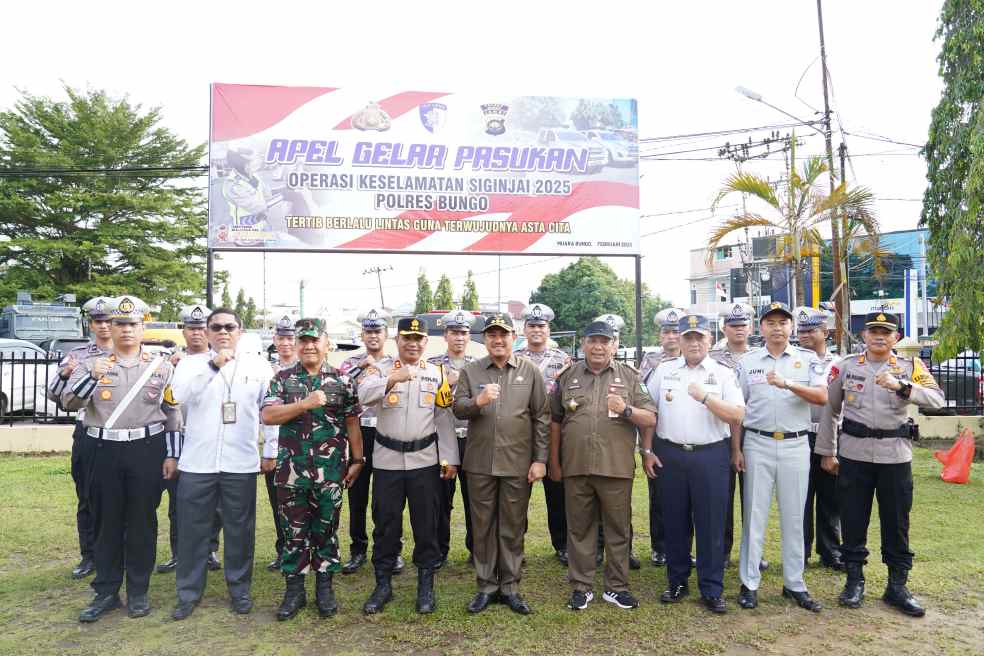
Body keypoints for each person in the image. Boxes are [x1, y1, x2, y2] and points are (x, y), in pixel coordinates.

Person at [816, 311, 944, 617]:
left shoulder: (910, 367)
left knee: (896, 523)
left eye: (886, 332)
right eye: (873, 331)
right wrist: (827, 452)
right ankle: (854, 581)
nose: (879, 336)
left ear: (895, 338)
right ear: (864, 336)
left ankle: (897, 587)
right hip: (854, 455)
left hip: (894, 457)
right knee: (853, 519)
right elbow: (831, 411)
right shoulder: (845, 367)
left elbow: (938, 399)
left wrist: (902, 386)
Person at [63, 296, 182, 622]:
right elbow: (68, 403)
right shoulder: (89, 364)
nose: (126, 329)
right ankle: (107, 591)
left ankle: (139, 591)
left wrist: (172, 454)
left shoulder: (161, 367)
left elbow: (172, 414)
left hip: (147, 450)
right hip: (103, 450)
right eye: (120, 324)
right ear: (110, 328)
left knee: (143, 521)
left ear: (143, 326)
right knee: (106, 521)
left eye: (133, 324)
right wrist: (92, 377)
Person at [169, 307, 278, 620]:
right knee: (193, 531)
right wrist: (212, 367)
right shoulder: (190, 364)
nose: (223, 332)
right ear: (206, 331)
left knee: (239, 530)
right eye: (215, 327)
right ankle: (188, 593)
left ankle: (240, 590)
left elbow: (269, 411)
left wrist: (270, 449)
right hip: (197, 463)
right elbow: (179, 397)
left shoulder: (258, 366)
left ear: (240, 331)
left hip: (240, 462)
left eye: (229, 326)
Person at [261, 318, 365, 620]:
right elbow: (268, 416)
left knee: (326, 531)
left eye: (314, 340)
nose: (308, 345)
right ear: (295, 344)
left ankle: (324, 588)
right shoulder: (282, 379)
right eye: (303, 340)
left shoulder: (343, 381)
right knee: (293, 533)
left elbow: (352, 423)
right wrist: (303, 404)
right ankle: (294, 591)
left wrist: (357, 460)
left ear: (326, 343)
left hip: (330, 472)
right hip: (292, 473)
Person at [550, 321, 657, 611]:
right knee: (579, 529)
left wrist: (626, 409)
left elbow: (650, 418)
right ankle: (581, 587)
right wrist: (554, 462)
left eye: (604, 341)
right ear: (583, 344)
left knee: (618, 530)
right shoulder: (568, 376)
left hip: (616, 467)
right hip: (576, 466)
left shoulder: (630, 377)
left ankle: (616, 587)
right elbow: (555, 422)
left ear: (614, 345)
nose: (598, 346)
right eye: (592, 340)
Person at [644, 314, 745, 614]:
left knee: (711, 523)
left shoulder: (723, 373)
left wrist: (706, 398)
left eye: (699, 337)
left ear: (710, 340)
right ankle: (676, 582)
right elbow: (649, 412)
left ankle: (712, 588)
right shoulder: (664, 370)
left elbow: (737, 415)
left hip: (710, 454)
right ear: (680, 340)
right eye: (688, 337)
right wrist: (647, 450)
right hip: (670, 454)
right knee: (674, 521)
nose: (693, 343)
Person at [358, 317, 458, 615]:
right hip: (387, 460)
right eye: (407, 338)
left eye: (418, 339)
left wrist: (451, 457)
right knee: (386, 523)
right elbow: (362, 396)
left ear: (426, 342)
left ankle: (425, 585)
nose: (412, 343)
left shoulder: (437, 374)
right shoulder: (381, 369)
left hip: (424, 461)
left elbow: (443, 418)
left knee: (426, 524)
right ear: (397, 341)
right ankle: (383, 584)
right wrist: (392, 380)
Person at [454, 314, 549, 615]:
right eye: (492, 334)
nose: (497, 339)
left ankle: (509, 586)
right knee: (482, 526)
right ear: (484, 339)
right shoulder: (470, 371)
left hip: (517, 462)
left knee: (511, 526)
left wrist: (540, 459)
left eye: (503, 334)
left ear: (513, 337)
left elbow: (542, 417)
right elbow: (457, 409)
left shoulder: (530, 371)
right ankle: (486, 586)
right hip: (480, 462)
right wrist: (478, 402)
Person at [734, 302, 827, 613]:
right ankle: (749, 583)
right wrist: (736, 448)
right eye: (770, 322)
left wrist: (787, 382)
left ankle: (794, 583)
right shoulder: (748, 363)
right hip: (757, 443)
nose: (776, 328)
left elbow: (822, 398)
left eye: (782, 322)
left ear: (791, 328)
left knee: (794, 516)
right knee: (754, 516)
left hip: (796, 444)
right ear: (760, 328)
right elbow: (738, 409)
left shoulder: (808, 360)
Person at [47, 295, 114, 580]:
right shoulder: (78, 355)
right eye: (98, 321)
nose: (104, 327)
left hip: (119, 432)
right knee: (86, 497)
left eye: (109, 321)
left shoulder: (130, 353)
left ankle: (116, 552)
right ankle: (89, 555)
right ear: (90, 324)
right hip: (87, 431)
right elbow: (55, 395)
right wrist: (65, 373)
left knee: (118, 498)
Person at [338, 308, 405, 576]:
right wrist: (362, 367)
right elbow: (342, 387)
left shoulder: (395, 363)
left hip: (388, 432)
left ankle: (392, 549)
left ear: (386, 334)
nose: (373, 336)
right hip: (359, 434)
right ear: (362, 334)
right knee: (357, 495)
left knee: (388, 498)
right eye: (368, 331)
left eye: (378, 331)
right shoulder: (350, 362)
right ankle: (358, 549)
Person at [157, 304, 223, 575]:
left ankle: (209, 550)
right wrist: (172, 453)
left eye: (200, 328)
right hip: (179, 441)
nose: (196, 333)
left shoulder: (222, 360)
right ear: (183, 331)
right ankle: (179, 552)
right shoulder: (171, 364)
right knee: (178, 504)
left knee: (214, 504)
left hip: (210, 442)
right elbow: (169, 409)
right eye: (191, 328)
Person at [709, 302, 766, 571]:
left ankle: (753, 552)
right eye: (733, 325)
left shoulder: (759, 357)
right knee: (723, 497)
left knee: (754, 499)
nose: (738, 329)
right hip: (721, 435)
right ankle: (722, 551)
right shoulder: (713, 359)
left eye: (743, 324)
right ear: (724, 328)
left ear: (751, 327)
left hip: (754, 435)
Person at [515, 303, 572, 565]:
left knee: (557, 493)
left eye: (541, 326)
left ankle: (562, 545)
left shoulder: (564, 360)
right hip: (521, 434)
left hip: (553, 434)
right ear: (524, 329)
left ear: (549, 329)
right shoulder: (514, 359)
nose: (537, 330)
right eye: (532, 326)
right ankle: (515, 546)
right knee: (516, 495)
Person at [794, 307, 843, 571]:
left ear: (825, 332)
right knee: (800, 497)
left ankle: (831, 551)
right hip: (800, 434)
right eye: (801, 331)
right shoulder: (793, 361)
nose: (805, 335)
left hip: (830, 434)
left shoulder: (839, 363)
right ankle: (799, 552)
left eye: (811, 330)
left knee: (830, 497)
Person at [428, 309, 478, 566]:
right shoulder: (433, 364)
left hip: (472, 438)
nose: (459, 337)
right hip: (443, 439)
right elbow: (426, 396)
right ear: (445, 335)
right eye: (454, 332)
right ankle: (439, 550)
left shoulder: (479, 364)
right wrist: (449, 379)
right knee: (440, 498)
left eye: (463, 332)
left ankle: (476, 549)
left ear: (469, 336)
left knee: (475, 497)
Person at [639, 307, 688, 567]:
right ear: (660, 336)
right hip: (658, 436)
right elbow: (643, 400)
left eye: (676, 332)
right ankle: (660, 546)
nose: (671, 337)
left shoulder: (697, 358)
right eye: (667, 332)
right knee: (659, 496)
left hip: (687, 436)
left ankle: (684, 547)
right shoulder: (650, 361)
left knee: (688, 498)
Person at [263, 315, 299, 572]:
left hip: (301, 449)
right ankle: (282, 549)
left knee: (301, 505)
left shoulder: (307, 368)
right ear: (274, 340)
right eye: (281, 338)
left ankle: (302, 549)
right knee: (278, 504)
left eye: (290, 338)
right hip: (273, 450)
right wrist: (267, 451)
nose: (285, 343)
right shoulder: (264, 369)